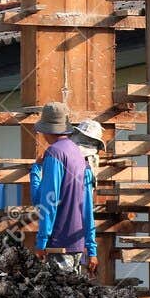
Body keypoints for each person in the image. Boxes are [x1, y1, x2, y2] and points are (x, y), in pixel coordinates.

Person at [29, 101, 98, 276]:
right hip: (77, 246)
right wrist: (92, 249)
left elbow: (45, 202)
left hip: (57, 245)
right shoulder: (79, 155)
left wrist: (36, 170)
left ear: (46, 130)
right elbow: (87, 206)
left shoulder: (54, 153)